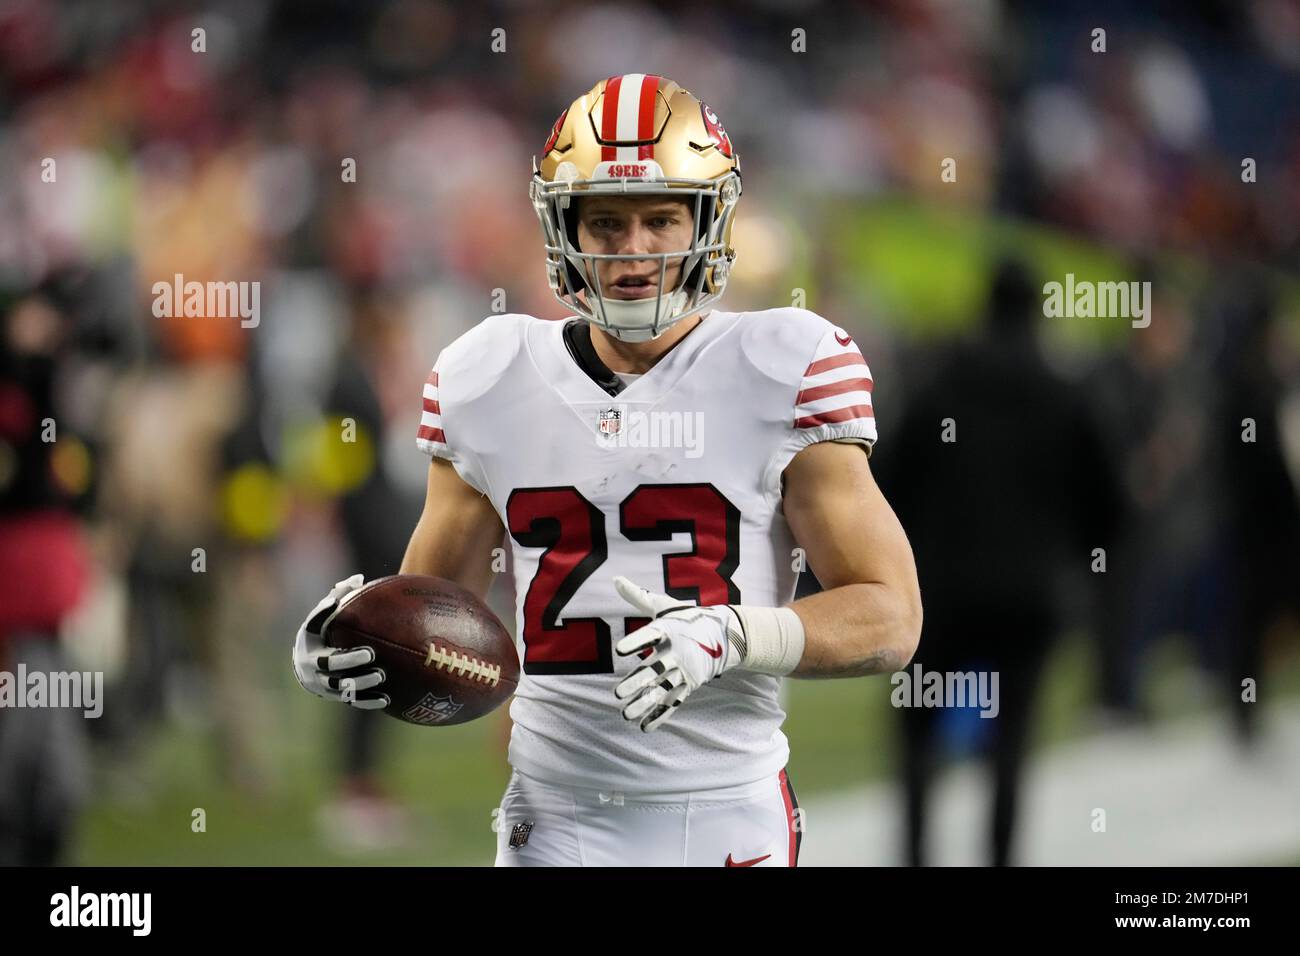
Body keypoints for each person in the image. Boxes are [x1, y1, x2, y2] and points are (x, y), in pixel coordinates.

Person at [292, 75, 922, 867]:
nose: (634, 249)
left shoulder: (785, 364)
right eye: (607, 220)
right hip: (550, 822)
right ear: (564, 228)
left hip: (725, 817)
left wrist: (734, 633)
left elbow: (892, 617)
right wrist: (358, 647)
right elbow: (436, 610)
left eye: (662, 219)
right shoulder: (487, 376)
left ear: (709, 221)